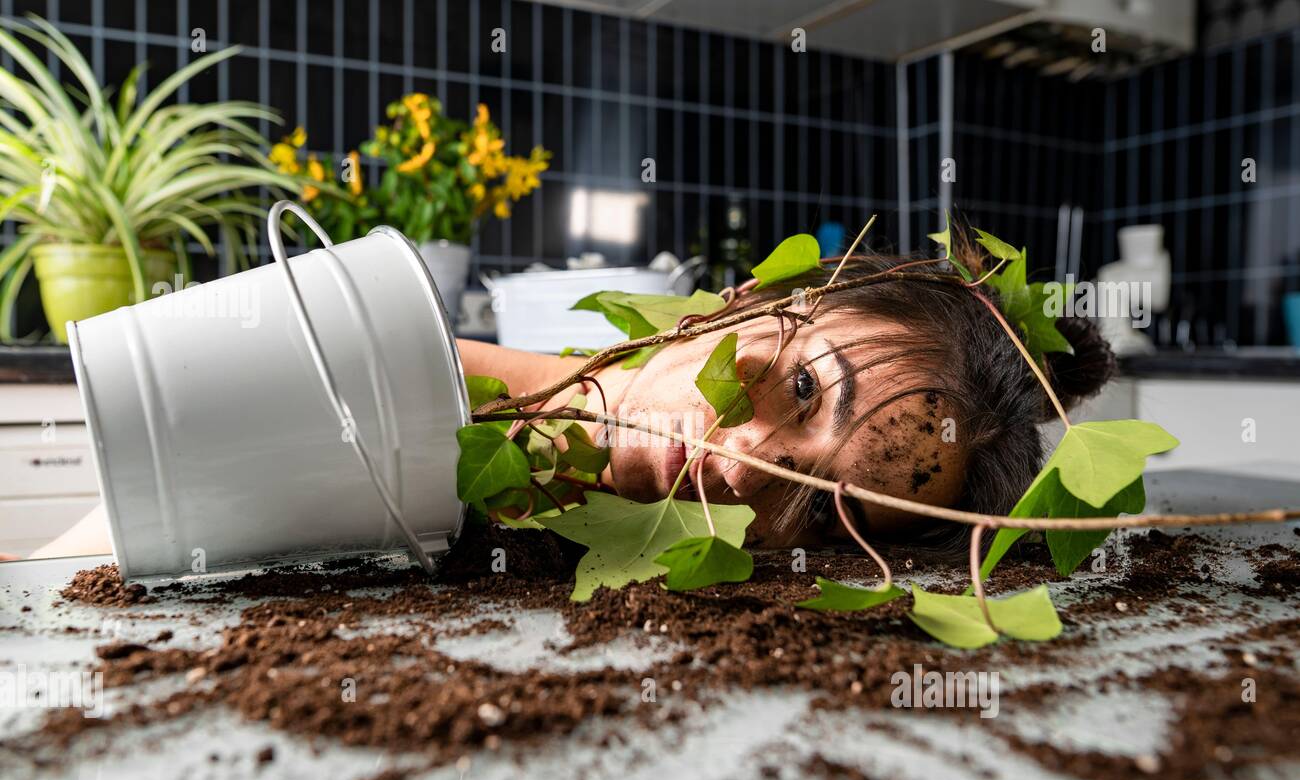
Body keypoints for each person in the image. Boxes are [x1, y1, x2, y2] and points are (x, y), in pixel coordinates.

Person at [27, 248, 1115, 560]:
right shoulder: (349, 350)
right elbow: (77, 582)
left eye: (824, 510)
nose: (750, 468)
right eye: (801, 390)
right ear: (752, 299)